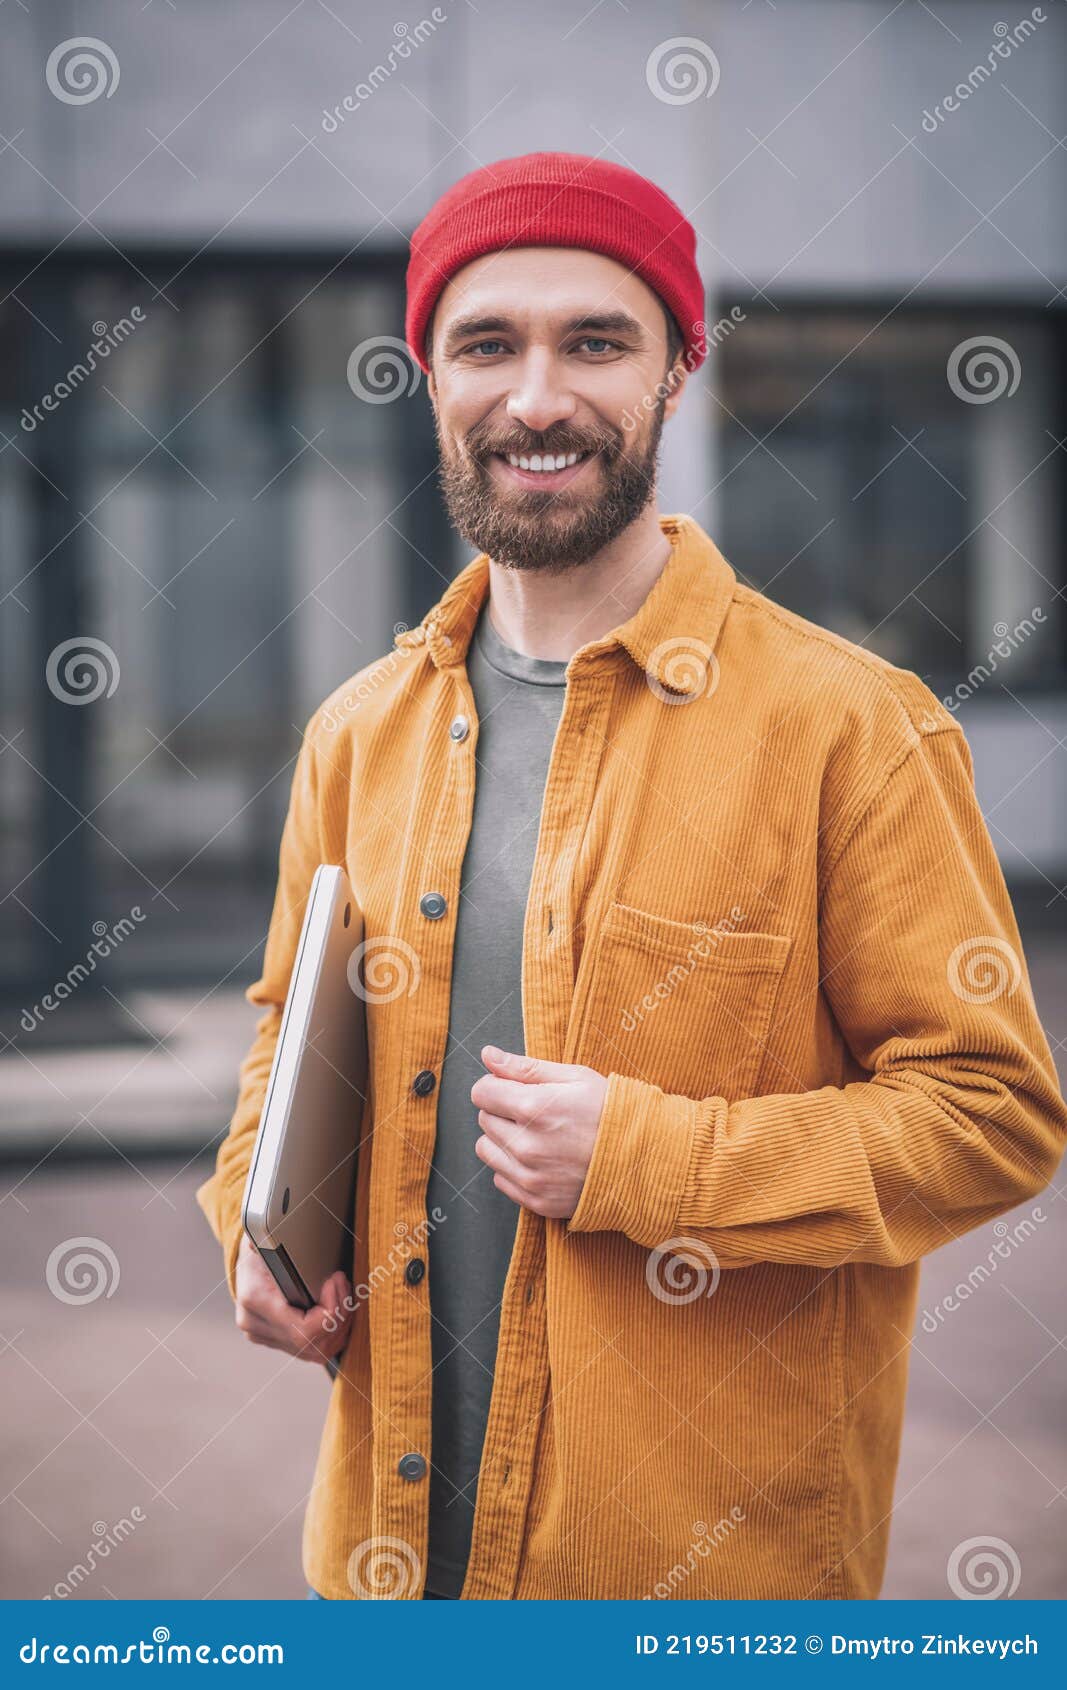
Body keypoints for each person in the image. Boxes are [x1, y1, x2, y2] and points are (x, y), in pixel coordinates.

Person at [197, 152, 1067, 1602]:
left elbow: (994, 1113)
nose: (538, 397)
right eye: (488, 344)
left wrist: (647, 1161)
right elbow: (283, 1042)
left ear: (677, 373)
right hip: (385, 1571)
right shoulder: (358, 733)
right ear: (428, 377)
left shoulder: (850, 728)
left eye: (596, 341)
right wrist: (253, 1227)